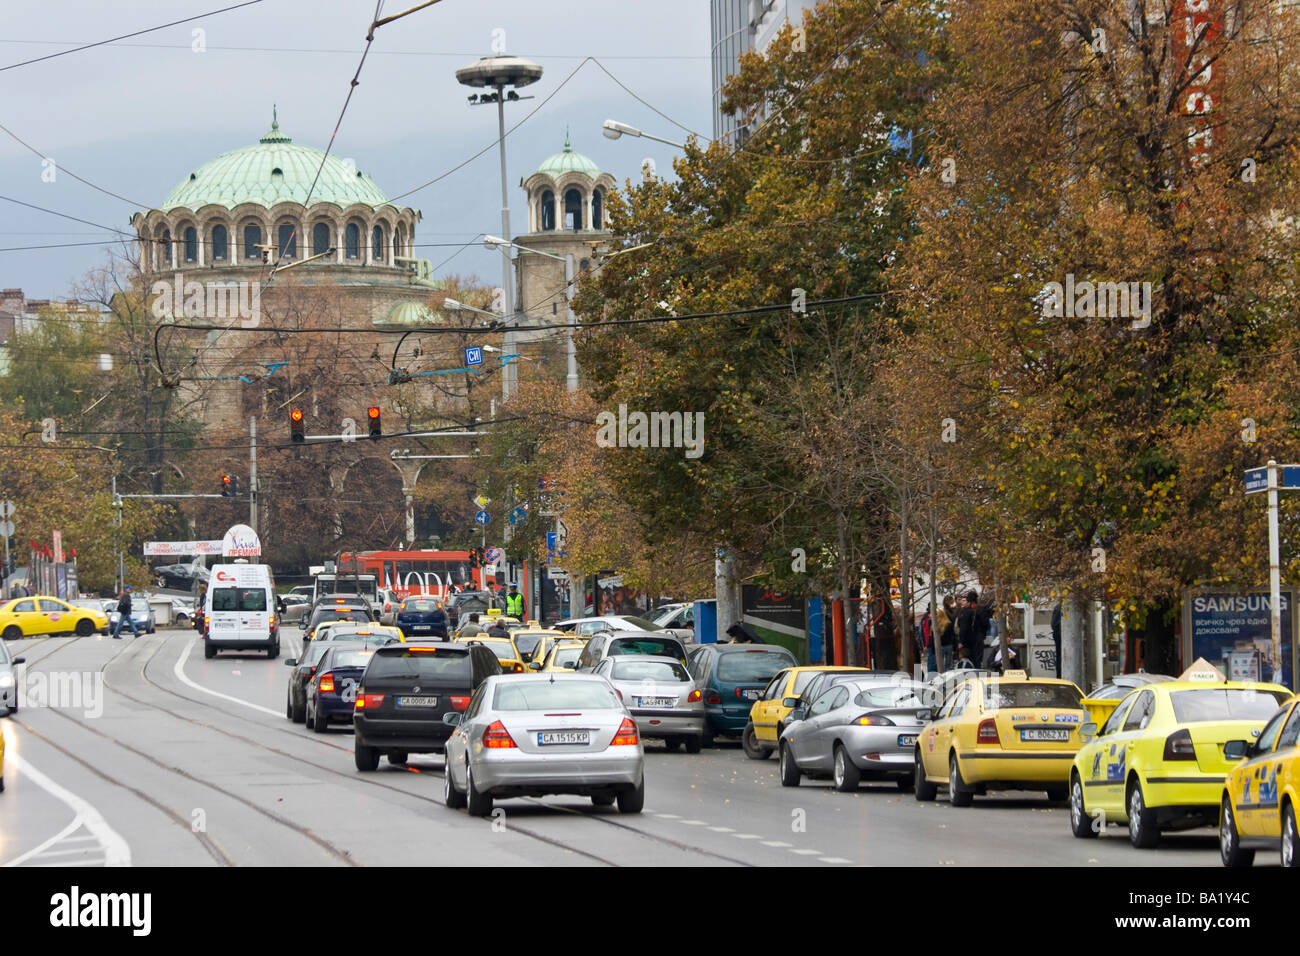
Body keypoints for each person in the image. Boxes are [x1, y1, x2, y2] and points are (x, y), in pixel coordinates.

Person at [938, 596, 957, 670]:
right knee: (947, 663)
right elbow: (952, 618)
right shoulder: (947, 613)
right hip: (948, 641)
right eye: (951, 602)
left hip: (947, 641)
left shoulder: (949, 611)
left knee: (946, 662)